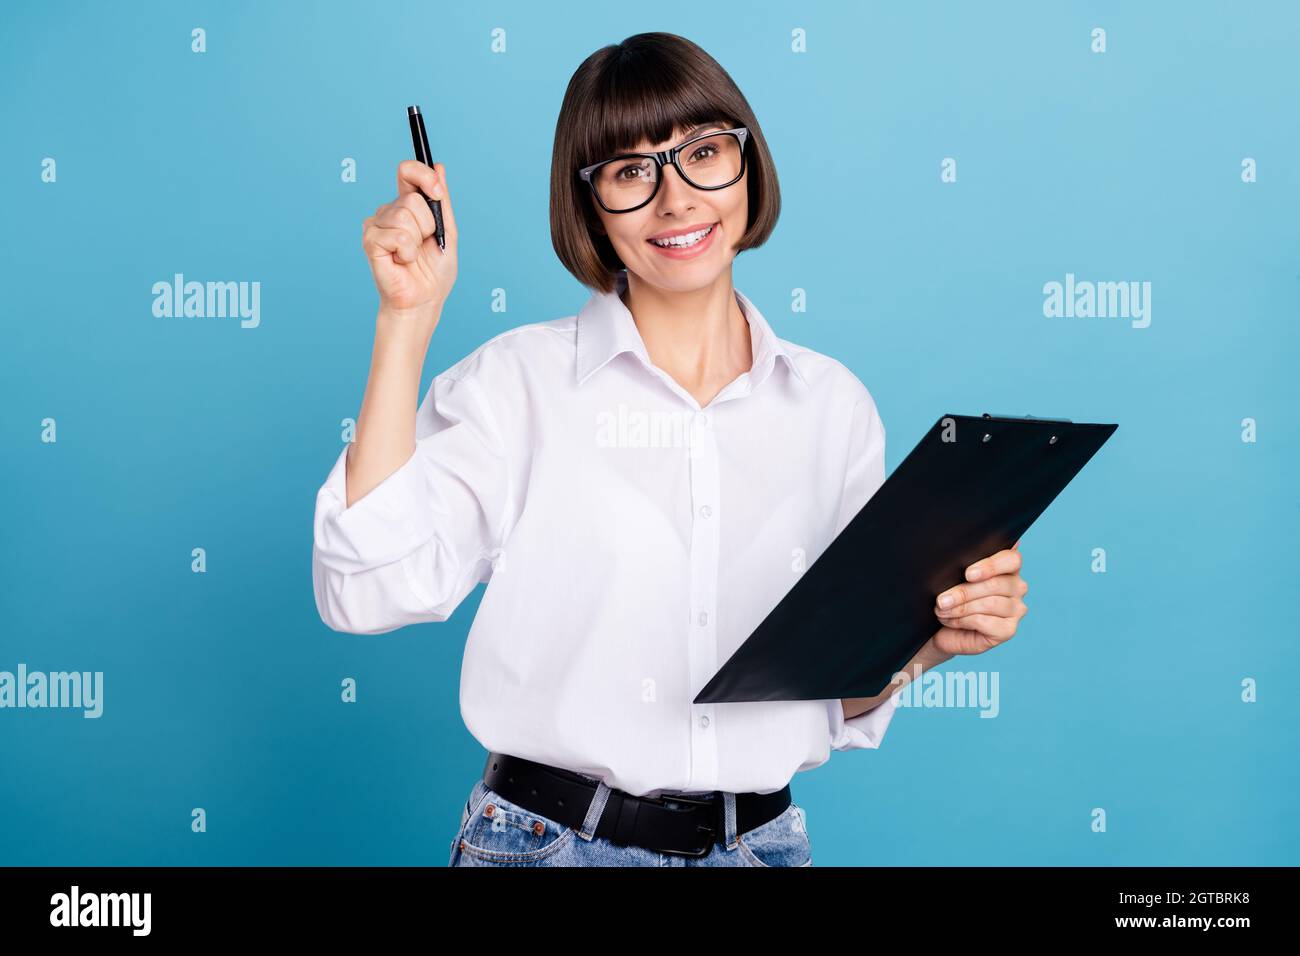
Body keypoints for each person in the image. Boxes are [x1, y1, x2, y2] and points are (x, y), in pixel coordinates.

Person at [311, 32, 1029, 867]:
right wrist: (406, 322)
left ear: (747, 165)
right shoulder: (518, 385)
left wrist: (931, 640)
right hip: (546, 849)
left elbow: (834, 693)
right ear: (589, 205)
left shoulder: (834, 407)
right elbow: (363, 593)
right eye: (629, 171)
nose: (677, 198)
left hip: (759, 849)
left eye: (703, 153)